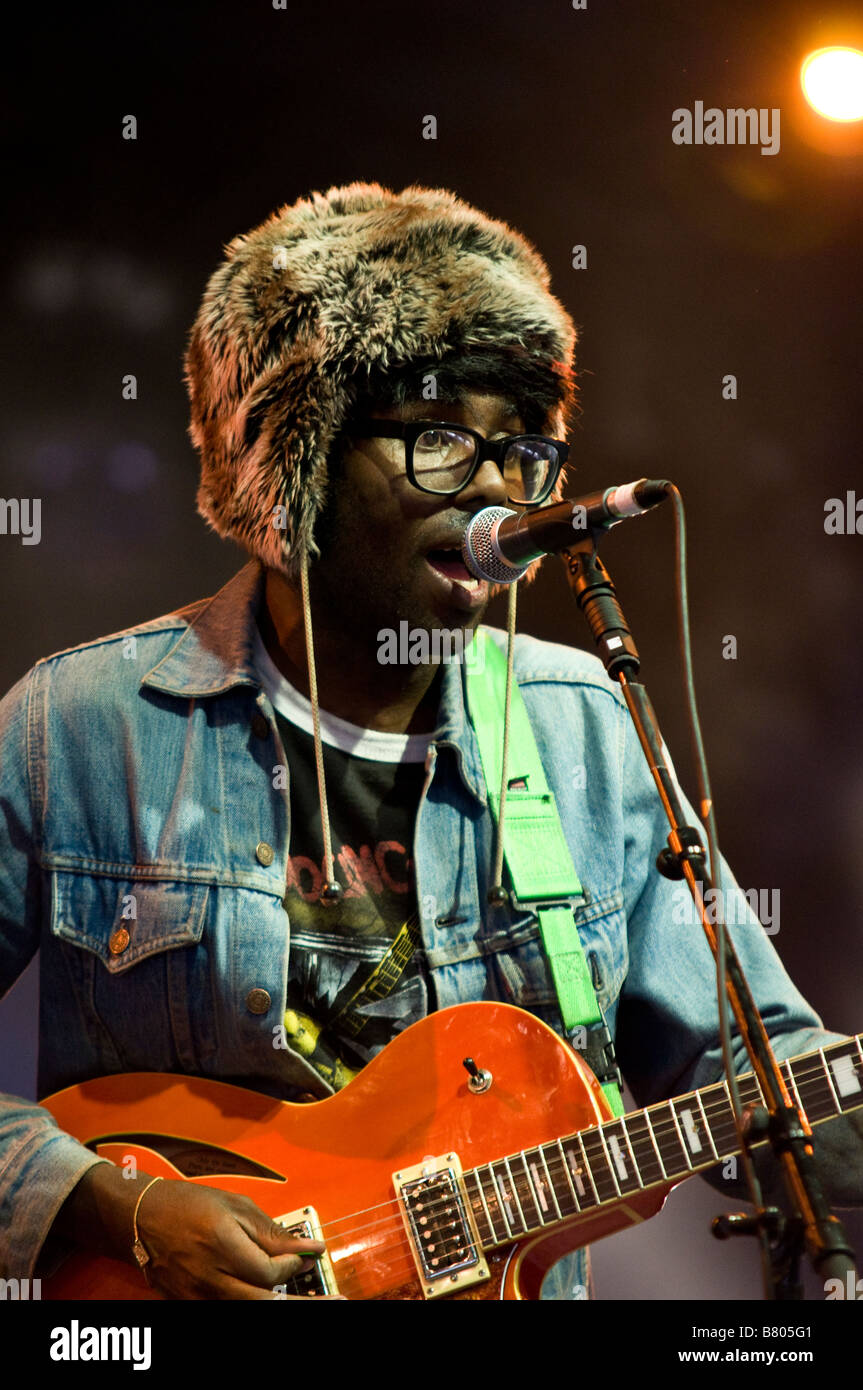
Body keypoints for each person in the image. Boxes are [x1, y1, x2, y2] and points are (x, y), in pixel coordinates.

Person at [0, 182, 860, 1302]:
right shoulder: (81, 727)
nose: (500, 492)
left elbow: (756, 1064)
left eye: (523, 450)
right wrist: (126, 1206)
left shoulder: (581, 726)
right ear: (292, 465)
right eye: (443, 439)